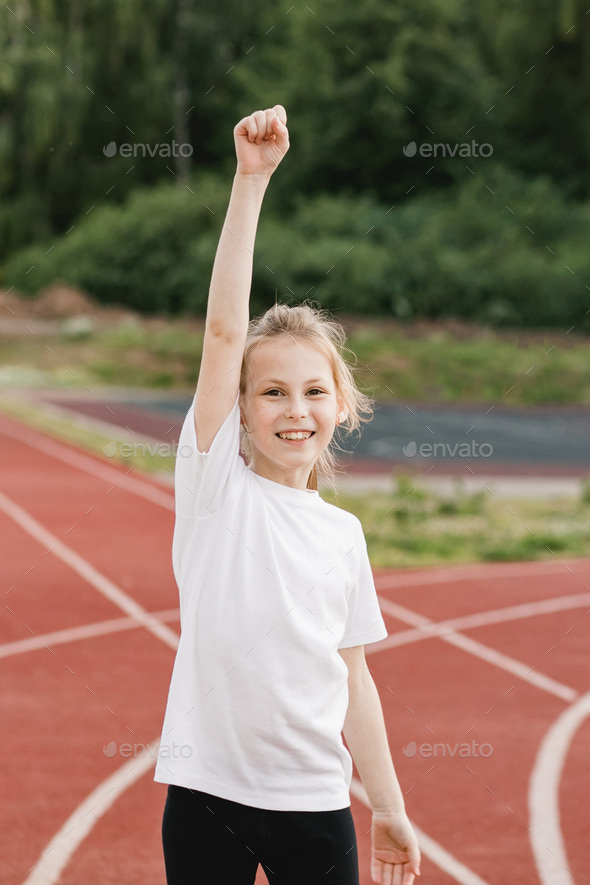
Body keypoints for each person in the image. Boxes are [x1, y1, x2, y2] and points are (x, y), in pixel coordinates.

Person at [155, 104, 421, 885]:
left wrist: (390, 805)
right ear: (241, 407)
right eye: (271, 391)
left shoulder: (342, 536)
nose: (294, 409)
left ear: (342, 405)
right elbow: (221, 335)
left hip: (315, 802)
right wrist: (250, 183)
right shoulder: (214, 490)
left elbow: (355, 679)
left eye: (312, 391)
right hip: (206, 796)